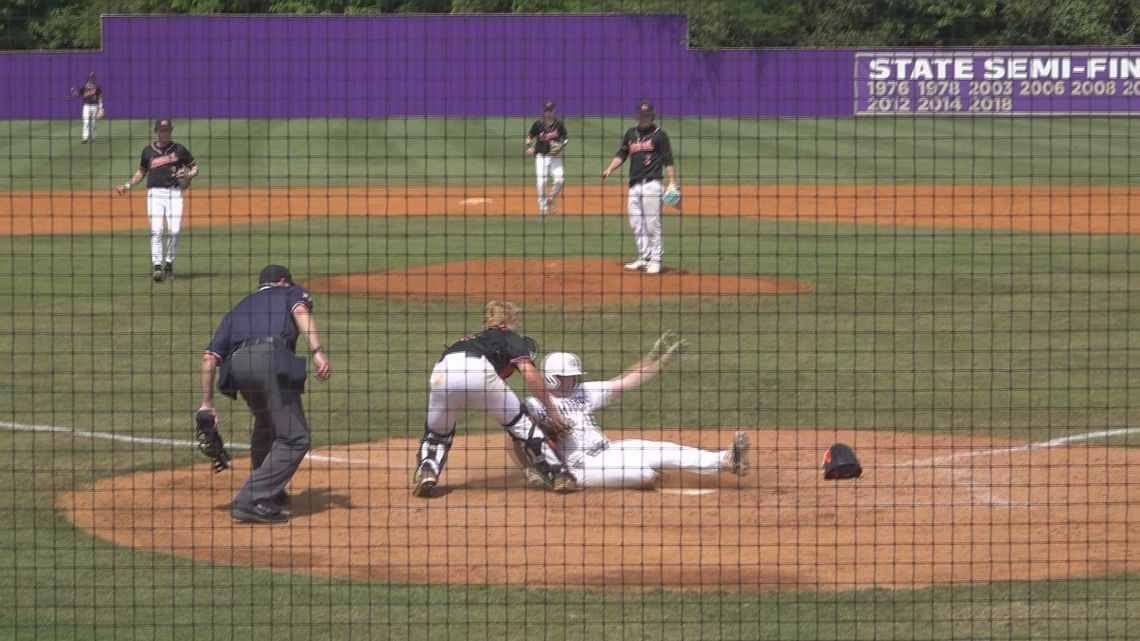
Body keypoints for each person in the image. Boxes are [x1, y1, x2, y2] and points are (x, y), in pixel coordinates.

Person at [515, 334, 750, 490]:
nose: (574, 381)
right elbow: (515, 437)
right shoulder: (535, 404)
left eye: (576, 377)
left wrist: (658, 360)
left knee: (663, 449)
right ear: (550, 379)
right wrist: (531, 470)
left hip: (608, 449)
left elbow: (626, 381)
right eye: (568, 379)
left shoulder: (584, 392)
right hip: (579, 466)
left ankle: (725, 460)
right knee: (645, 475)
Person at [199, 265, 332, 524]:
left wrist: (207, 404)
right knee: (295, 437)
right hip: (269, 360)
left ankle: (270, 491)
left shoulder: (239, 307)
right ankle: (252, 497)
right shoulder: (290, 293)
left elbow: (208, 360)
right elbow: (301, 311)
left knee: (266, 423)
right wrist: (317, 351)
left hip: (236, 368)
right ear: (283, 281)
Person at [414, 300, 578, 498]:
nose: (517, 326)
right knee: (521, 424)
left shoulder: (466, 340)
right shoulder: (508, 335)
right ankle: (559, 474)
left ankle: (427, 471)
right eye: (515, 321)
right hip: (479, 372)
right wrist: (551, 411)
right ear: (505, 322)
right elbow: (530, 374)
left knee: (437, 434)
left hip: (442, 373)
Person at [115, 118, 199, 283]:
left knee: (174, 231)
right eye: (162, 130)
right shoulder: (148, 151)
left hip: (174, 194)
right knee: (157, 230)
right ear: (156, 132)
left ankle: (169, 263)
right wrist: (127, 185)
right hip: (154, 194)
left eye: (167, 130)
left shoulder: (179, 149)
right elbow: (141, 173)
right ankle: (157, 266)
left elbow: (195, 167)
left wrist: (189, 174)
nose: (165, 133)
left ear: (170, 131)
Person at [601, 101, 678, 275]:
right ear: (637, 116)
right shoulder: (630, 134)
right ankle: (644, 257)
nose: (643, 118)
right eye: (641, 115)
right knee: (636, 223)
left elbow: (668, 159)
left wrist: (672, 181)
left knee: (652, 224)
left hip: (652, 185)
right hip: (634, 185)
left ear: (652, 116)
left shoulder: (661, 136)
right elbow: (622, 154)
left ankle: (656, 260)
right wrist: (609, 169)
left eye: (647, 115)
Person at [525, 100, 569, 216]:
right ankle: (542, 207)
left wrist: (561, 146)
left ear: (554, 110)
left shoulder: (559, 125)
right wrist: (529, 147)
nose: (548, 113)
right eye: (546, 110)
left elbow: (566, 138)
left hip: (555, 157)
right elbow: (529, 137)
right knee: (542, 181)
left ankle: (551, 199)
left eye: (550, 110)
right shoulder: (538, 124)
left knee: (560, 179)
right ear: (543, 111)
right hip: (541, 157)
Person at [69, 72, 103, 143]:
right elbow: (78, 94)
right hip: (86, 106)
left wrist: (100, 106)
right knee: (86, 122)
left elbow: (100, 97)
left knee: (93, 122)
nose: (91, 78)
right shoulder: (84, 87)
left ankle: (93, 137)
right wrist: (73, 91)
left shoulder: (97, 87)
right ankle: (85, 138)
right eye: (90, 77)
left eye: (93, 77)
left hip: (94, 106)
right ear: (88, 78)